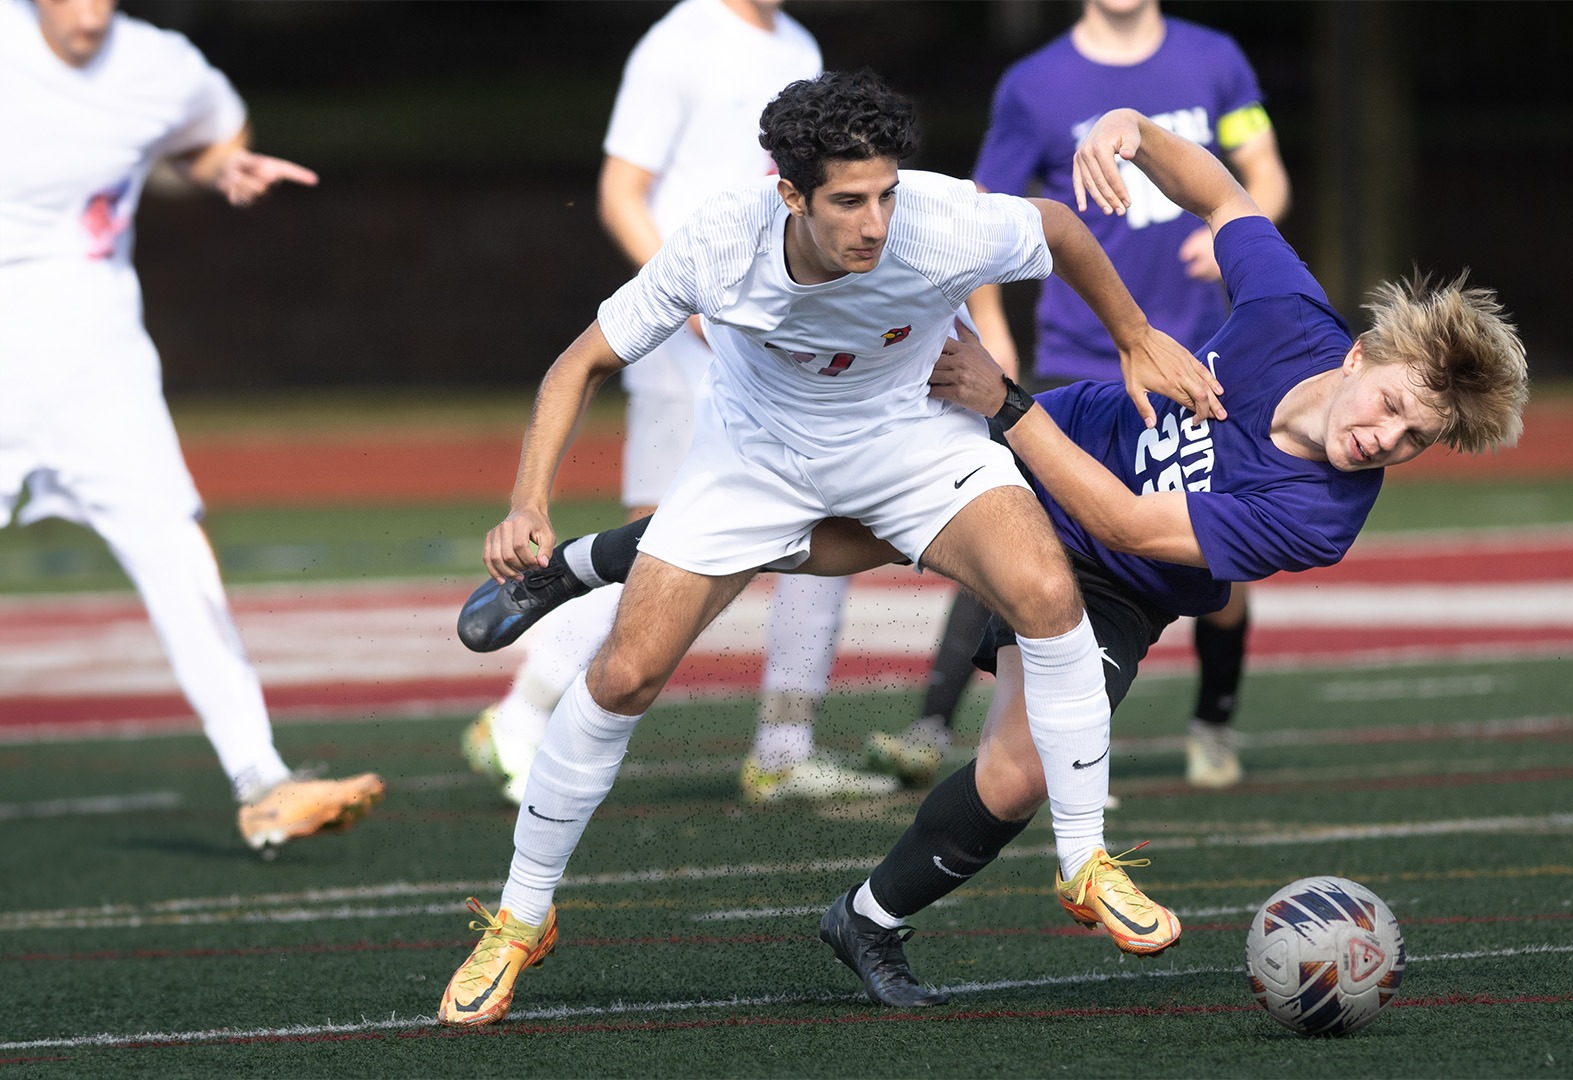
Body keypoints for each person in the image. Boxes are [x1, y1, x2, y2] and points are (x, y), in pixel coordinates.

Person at [464, 106, 1528, 1008]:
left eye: (1415, 440)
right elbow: (1226, 201)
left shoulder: (1323, 513)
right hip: (1029, 457)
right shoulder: (1294, 318)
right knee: (814, 537)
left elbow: (1122, 526)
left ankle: (868, 918)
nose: (1385, 438)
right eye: (1391, 406)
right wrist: (1135, 132)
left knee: (1017, 774)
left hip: (1112, 569)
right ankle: (575, 567)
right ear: (1360, 356)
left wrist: (1006, 403)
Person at [436, 71, 1224, 1027]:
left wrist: (1135, 335)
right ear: (790, 196)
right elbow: (582, 363)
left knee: (1047, 595)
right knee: (626, 675)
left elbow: (1056, 226)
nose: (875, 223)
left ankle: (1086, 857)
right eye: (848, 201)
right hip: (754, 459)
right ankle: (519, 919)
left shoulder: (934, 221)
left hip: (914, 440)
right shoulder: (721, 241)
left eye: (885, 193)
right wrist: (529, 500)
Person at [457, 0, 891, 808]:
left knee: (834, 510)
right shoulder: (679, 41)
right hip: (692, 344)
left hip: (775, 341)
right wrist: (689, 301)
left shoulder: (798, 41)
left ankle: (785, 747)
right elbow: (623, 191)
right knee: (667, 548)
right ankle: (518, 715)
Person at [867, 0, 1291, 793]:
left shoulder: (1218, 59)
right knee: (1005, 519)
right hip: (1077, 358)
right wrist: (989, 325)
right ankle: (930, 724)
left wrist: (1236, 229)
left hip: (1201, 364)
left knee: (1215, 571)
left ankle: (1212, 725)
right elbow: (982, 217)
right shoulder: (1035, 83)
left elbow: (1262, 171)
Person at [0, 0, 383, 853]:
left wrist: (221, 170)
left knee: (178, 554)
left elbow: (215, 134)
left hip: (99, 366)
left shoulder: (159, 65)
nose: (88, 8)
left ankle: (262, 782)